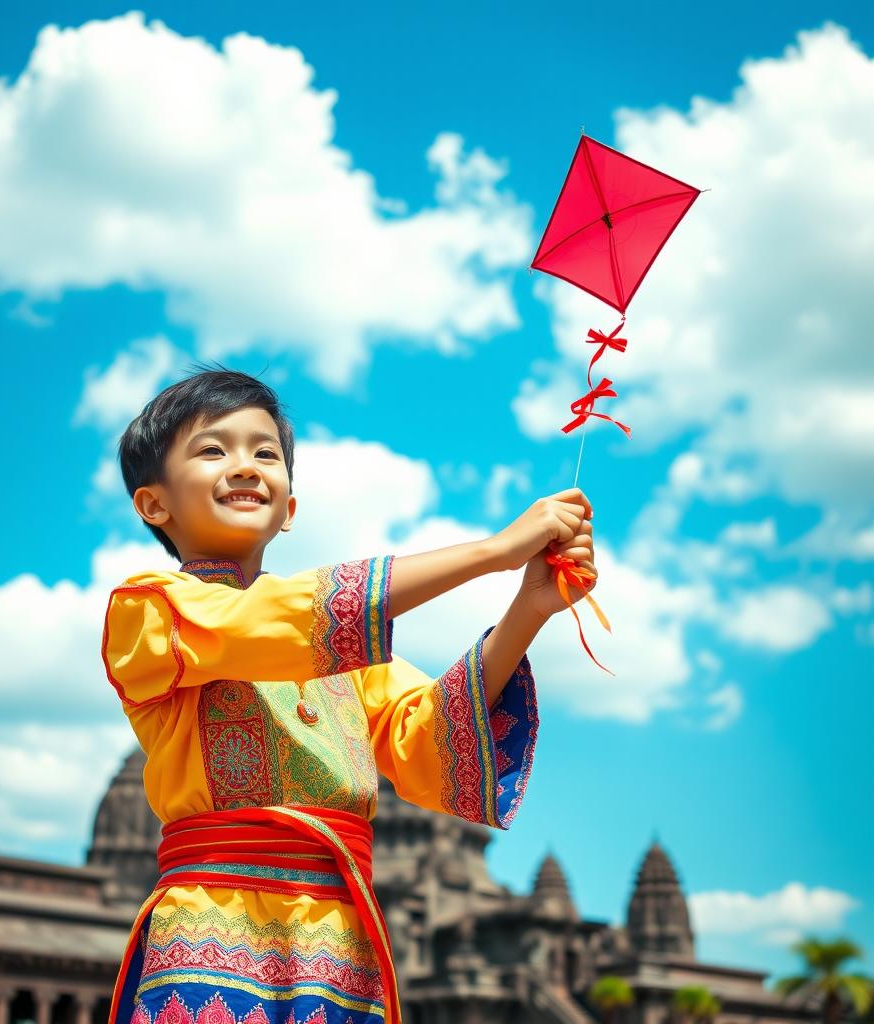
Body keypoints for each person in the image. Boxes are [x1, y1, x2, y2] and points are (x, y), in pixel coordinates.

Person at [102, 365, 597, 1024]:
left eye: (265, 453)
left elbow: (435, 745)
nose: (245, 466)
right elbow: (275, 618)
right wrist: (494, 552)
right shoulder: (152, 611)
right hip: (213, 925)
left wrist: (529, 608)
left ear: (289, 511)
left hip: (341, 944)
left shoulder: (353, 661)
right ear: (153, 505)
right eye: (213, 450)